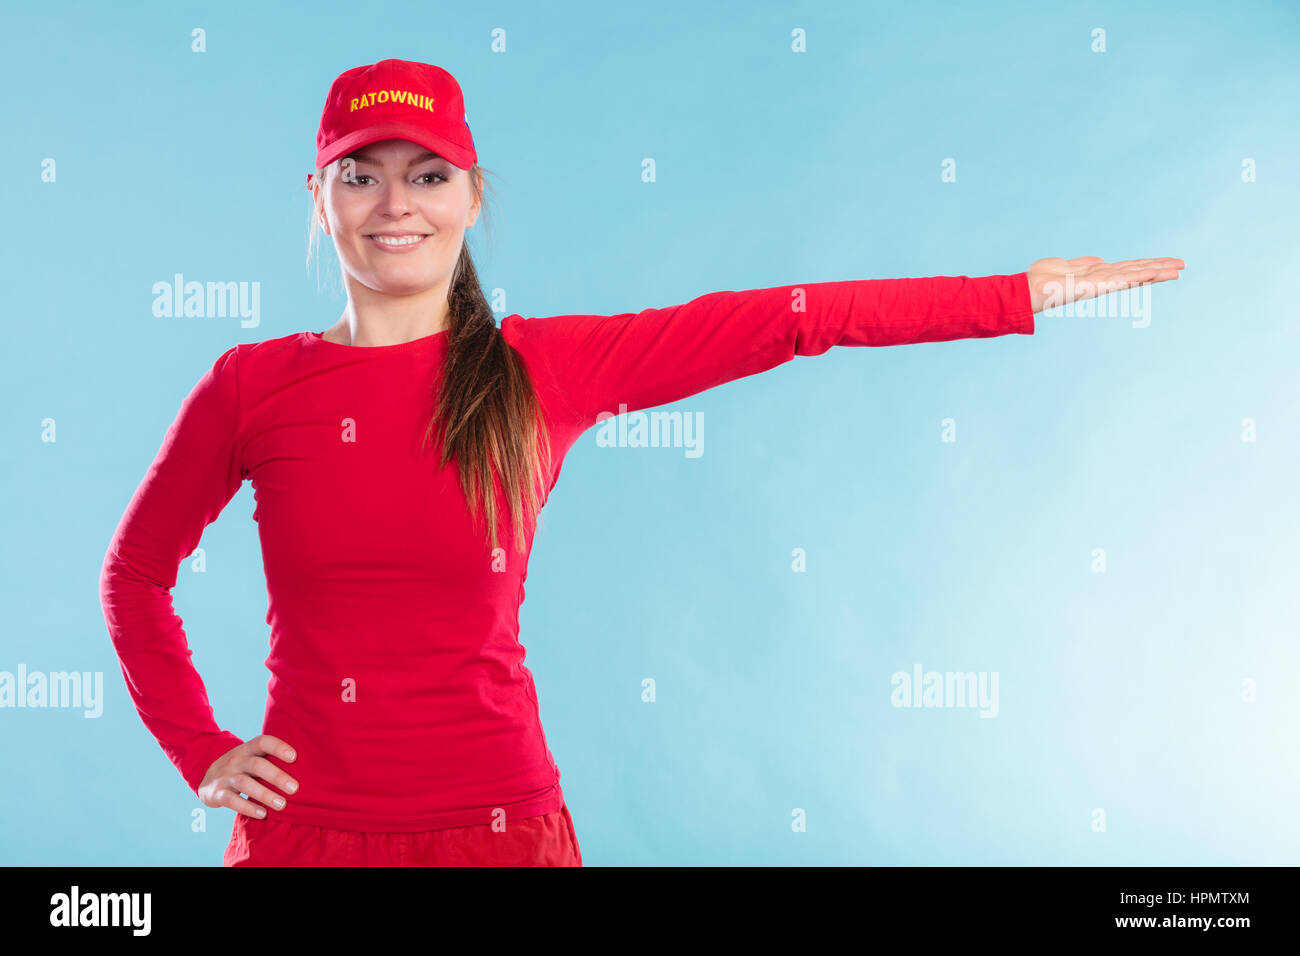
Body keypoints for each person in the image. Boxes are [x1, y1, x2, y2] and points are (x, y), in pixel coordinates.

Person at [98, 58, 1184, 867]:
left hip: (497, 825)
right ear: (318, 196)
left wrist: (1011, 295)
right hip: (303, 834)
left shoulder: (538, 370)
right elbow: (135, 574)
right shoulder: (250, 384)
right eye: (361, 175)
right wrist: (200, 747)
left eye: (427, 174)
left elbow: (788, 319)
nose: (396, 206)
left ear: (470, 197)